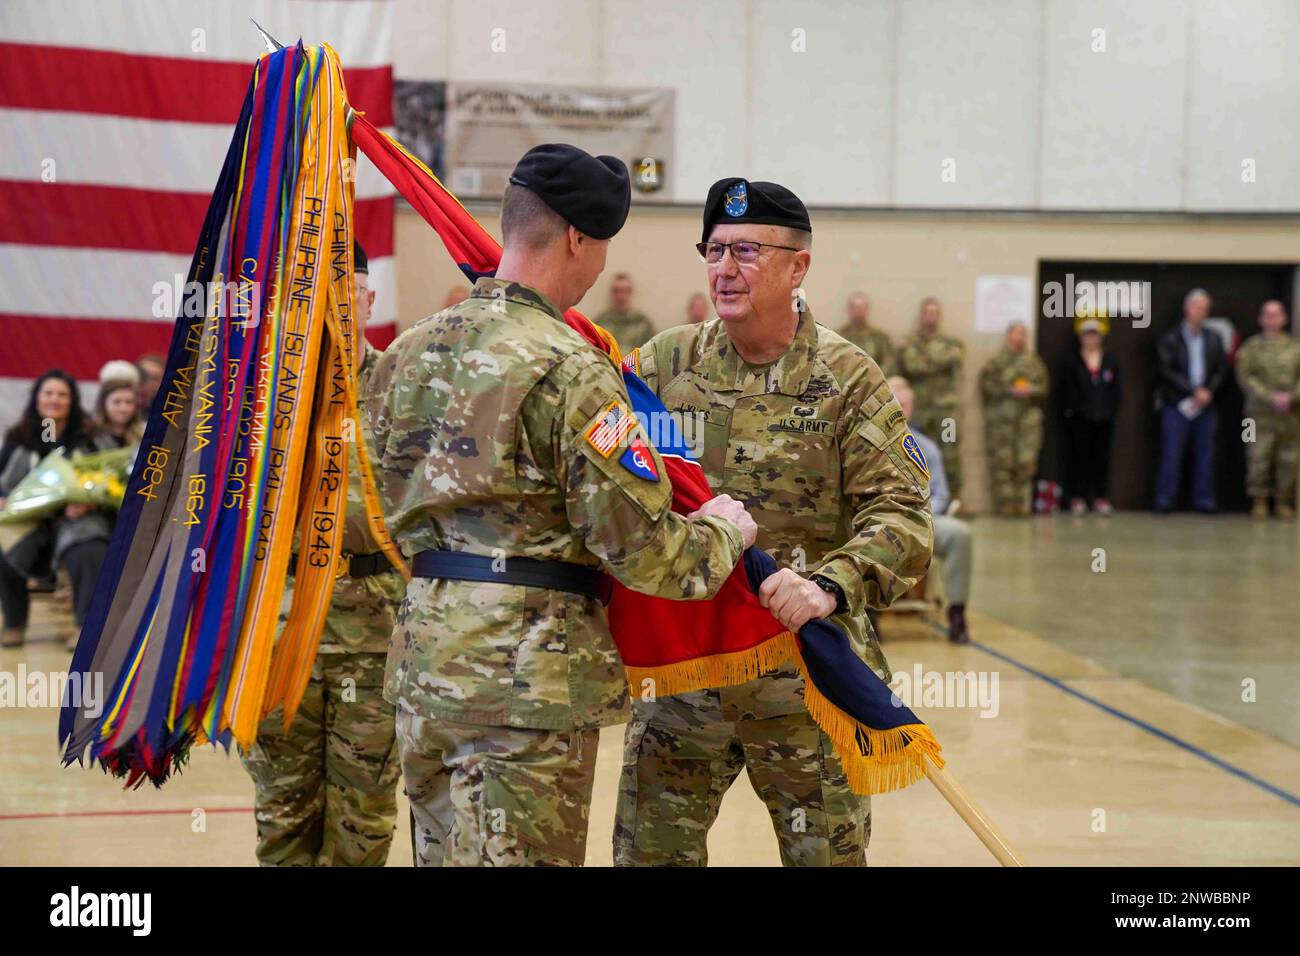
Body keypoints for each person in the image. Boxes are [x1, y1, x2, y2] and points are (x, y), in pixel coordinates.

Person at [365, 144, 756, 867]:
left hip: (425, 668)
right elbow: (643, 549)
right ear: (578, 237)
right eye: (600, 248)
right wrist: (723, 533)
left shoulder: (405, 353)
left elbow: (382, 504)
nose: (600, 268)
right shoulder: (572, 370)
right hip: (524, 690)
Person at [612, 177, 933, 867]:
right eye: (715, 250)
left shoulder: (847, 379)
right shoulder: (664, 366)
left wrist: (830, 584)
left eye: (747, 252)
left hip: (802, 683)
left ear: (798, 266)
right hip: (685, 680)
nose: (725, 269)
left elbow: (902, 515)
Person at [238, 242, 406, 867]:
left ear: (368, 300)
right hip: (278, 629)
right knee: (283, 812)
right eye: (318, 296)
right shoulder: (259, 400)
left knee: (363, 816)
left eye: (349, 294)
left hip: (375, 629)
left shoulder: (405, 387)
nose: (335, 309)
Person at [0, 371, 109, 648]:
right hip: (30, 518)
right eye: (48, 393)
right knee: (3, 544)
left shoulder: (88, 436)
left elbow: (107, 478)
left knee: (90, 548)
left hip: (75, 517)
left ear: (72, 401)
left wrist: (88, 500)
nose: (54, 400)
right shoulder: (19, 436)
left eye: (62, 394)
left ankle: (85, 626)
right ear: (36, 398)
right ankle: (14, 622)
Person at [889, 376, 971, 643]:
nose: (900, 409)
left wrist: (920, 514)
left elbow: (941, 493)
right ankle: (869, 617)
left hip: (921, 519)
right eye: (894, 403)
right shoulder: (864, 444)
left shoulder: (927, 448)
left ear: (912, 408)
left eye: (905, 404)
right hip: (877, 520)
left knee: (960, 534)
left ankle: (957, 615)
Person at [1154, 289, 1227, 513]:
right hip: (1177, 405)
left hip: (1206, 406)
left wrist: (1207, 392)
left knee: (1206, 455)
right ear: (1187, 309)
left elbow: (1220, 370)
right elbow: (1166, 370)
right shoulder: (1170, 337)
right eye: (1197, 307)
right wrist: (1193, 391)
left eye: (1205, 308)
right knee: (1172, 454)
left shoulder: (1214, 338)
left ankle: (1204, 500)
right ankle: (1165, 500)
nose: (1200, 312)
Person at [1235, 299, 1300, 519]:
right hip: (1254, 417)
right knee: (1256, 456)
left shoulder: (1295, 348)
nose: (1272, 319)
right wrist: (1269, 397)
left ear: (1284, 318)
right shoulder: (1250, 348)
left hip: (1290, 415)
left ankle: (1283, 502)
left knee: (1289, 459)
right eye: (1268, 315)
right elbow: (1245, 377)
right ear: (1261, 319)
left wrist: (1291, 396)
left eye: (1277, 314)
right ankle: (1259, 500)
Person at [979, 321, 1049, 516]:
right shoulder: (996, 362)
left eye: (1022, 334)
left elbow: (1044, 388)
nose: (1019, 338)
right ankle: (1005, 507)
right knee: (1003, 464)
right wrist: (1008, 390)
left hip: (1027, 422)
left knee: (1025, 464)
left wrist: (1030, 390)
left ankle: (1022, 506)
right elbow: (986, 388)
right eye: (1015, 333)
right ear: (1008, 336)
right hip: (1002, 422)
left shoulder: (1033, 362)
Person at [900, 297, 965, 496]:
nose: (930, 317)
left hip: (947, 412)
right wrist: (940, 361)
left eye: (934, 313)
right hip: (920, 411)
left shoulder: (953, 343)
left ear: (939, 316)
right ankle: (921, 497)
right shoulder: (911, 341)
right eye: (927, 312)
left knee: (950, 452)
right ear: (921, 316)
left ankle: (953, 498)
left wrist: (925, 360)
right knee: (918, 452)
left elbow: (956, 358)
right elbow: (911, 365)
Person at [1060, 316, 1120, 515]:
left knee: (1101, 458)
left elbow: (1115, 390)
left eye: (1095, 334)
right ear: (1081, 337)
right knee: (1079, 458)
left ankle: (1100, 498)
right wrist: (1073, 410)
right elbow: (1066, 390)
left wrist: (1109, 410)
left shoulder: (1110, 361)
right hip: (1080, 418)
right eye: (1087, 334)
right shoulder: (1072, 360)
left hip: (1103, 418)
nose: (1091, 339)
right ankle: (1078, 497)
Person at [837, 291, 897, 376]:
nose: (858, 312)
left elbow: (889, 362)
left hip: (875, 381)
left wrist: (875, 377)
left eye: (861, 308)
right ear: (848, 310)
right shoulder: (838, 336)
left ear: (867, 310)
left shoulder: (880, 337)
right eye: (855, 308)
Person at [595, 272, 654, 352]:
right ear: (611, 293)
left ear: (631, 292)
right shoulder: (600, 322)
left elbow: (651, 352)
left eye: (624, 290)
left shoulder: (643, 322)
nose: (621, 296)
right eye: (617, 291)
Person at [91, 378, 145, 449]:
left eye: (129, 402)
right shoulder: (91, 435)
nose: (124, 408)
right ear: (103, 404)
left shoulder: (144, 434)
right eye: (117, 402)